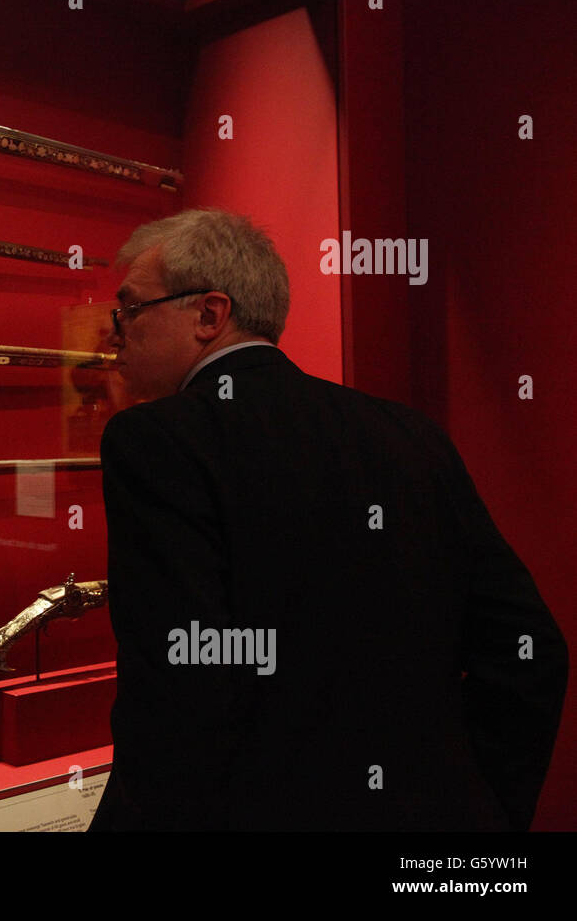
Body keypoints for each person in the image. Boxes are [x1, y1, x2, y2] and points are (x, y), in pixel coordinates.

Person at [88, 209, 567, 831]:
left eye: (129, 309)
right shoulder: (409, 433)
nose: (116, 332)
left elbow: (182, 687)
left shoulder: (157, 439)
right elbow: (528, 653)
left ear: (209, 314)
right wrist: (483, 813)